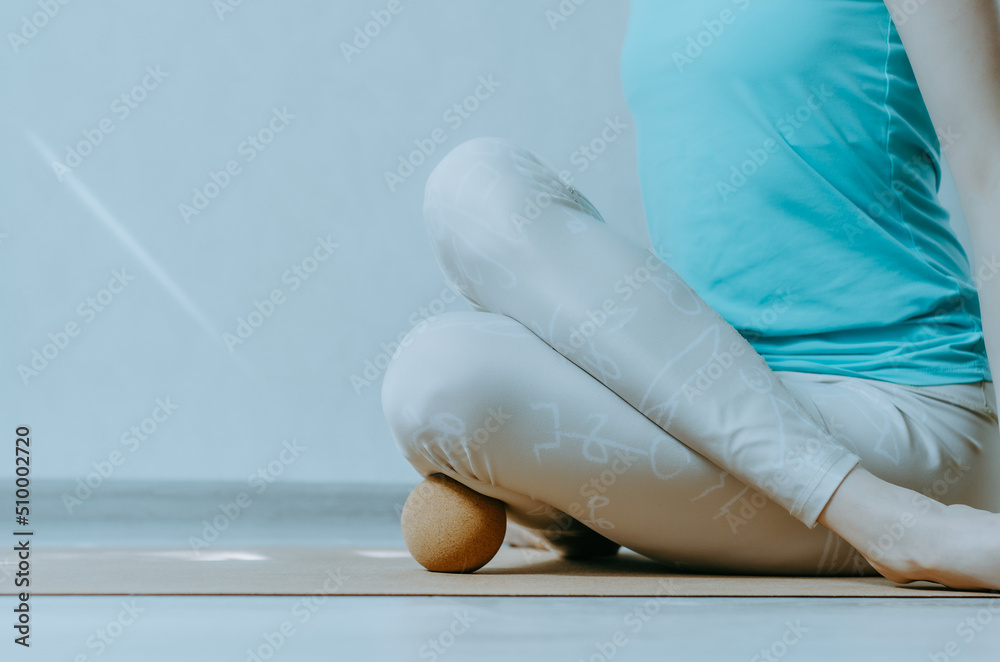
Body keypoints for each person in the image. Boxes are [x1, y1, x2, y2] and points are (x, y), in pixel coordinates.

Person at [381, 0, 1000, 590]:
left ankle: (896, 521)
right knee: (434, 369)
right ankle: (573, 517)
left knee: (468, 188)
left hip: (902, 420)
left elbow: (989, 170)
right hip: (712, 429)